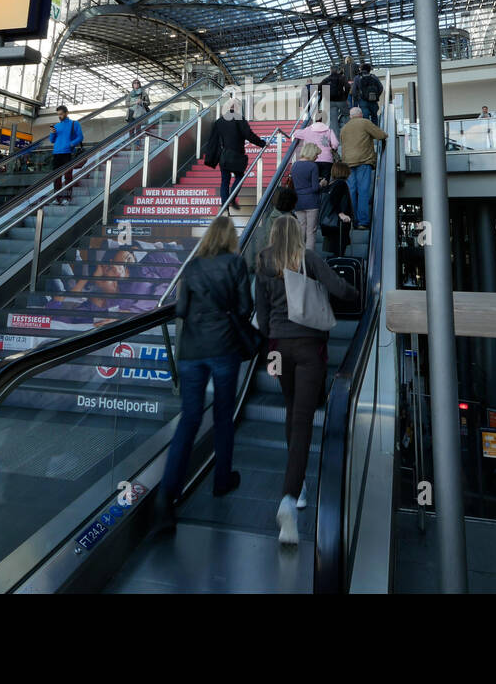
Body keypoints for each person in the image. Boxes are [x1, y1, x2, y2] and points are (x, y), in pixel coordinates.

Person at [256, 215, 357, 546]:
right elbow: (341, 289)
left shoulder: (263, 261)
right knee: (303, 421)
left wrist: (272, 337)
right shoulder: (308, 258)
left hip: (279, 348)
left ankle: (296, 487)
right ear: (297, 233)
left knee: (291, 410)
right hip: (310, 348)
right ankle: (290, 496)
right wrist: (366, 292)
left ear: (273, 234)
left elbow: (260, 312)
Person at [152, 215, 252, 532]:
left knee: (189, 418)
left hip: (191, 352)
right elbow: (245, 306)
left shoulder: (192, 266)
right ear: (230, 238)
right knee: (223, 416)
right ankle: (222, 479)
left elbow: (180, 310)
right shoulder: (235, 264)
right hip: (223, 348)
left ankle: (168, 495)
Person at [204, 101, 266, 212]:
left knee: (224, 181)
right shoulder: (239, 118)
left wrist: (212, 157)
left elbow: (213, 141)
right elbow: (248, 134)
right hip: (237, 155)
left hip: (224, 157)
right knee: (239, 176)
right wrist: (262, 143)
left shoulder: (219, 121)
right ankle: (232, 197)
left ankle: (224, 206)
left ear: (226, 107)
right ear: (237, 108)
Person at [339, 107, 387, 228]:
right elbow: (381, 135)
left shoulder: (344, 128)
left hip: (348, 164)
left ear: (350, 116)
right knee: (363, 192)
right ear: (361, 114)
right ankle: (362, 222)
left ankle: (352, 220)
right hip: (363, 162)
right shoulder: (365, 122)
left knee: (351, 192)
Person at [290, 111, 339, 182]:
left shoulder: (308, 130)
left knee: (313, 182)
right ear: (325, 119)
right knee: (325, 182)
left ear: (314, 119)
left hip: (311, 159)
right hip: (327, 160)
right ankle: (324, 192)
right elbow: (335, 143)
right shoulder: (329, 130)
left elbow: (295, 133)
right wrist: (332, 147)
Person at [49, 105, 84, 204]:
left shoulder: (74, 123)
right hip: (56, 153)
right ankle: (57, 198)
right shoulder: (56, 126)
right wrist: (52, 133)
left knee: (68, 176)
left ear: (66, 113)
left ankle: (68, 198)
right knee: (56, 178)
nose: (59, 116)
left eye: (61, 114)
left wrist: (71, 144)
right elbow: (52, 140)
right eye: (58, 115)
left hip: (68, 153)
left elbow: (80, 137)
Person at [291, 143, 323, 249]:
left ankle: (298, 256)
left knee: (301, 230)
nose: (317, 157)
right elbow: (315, 188)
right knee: (311, 232)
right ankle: (309, 258)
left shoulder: (294, 165)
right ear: (312, 153)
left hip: (298, 202)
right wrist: (321, 184)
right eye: (316, 155)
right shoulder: (313, 166)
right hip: (311, 202)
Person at [319, 161, 354, 257]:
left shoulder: (330, 184)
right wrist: (341, 214)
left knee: (335, 250)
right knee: (340, 249)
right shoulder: (341, 184)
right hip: (339, 223)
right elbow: (334, 199)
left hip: (329, 221)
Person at [321, 65, 350, 139]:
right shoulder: (341, 78)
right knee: (347, 115)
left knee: (333, 120)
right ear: (337, 71)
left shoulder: (327, 78)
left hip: (331, 101)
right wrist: (345, 96)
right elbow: (348, 86)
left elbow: (319, 86)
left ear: (330, 70)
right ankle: (349, 134)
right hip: (341, 100)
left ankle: (336, 139)